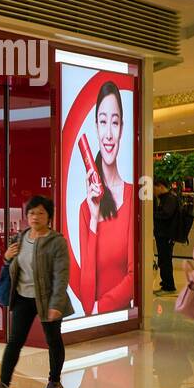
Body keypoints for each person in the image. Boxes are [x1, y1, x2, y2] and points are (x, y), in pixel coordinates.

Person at [0, 195, 75, 388]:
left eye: (41, 213)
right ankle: (3, 384)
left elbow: (61, 276)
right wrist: (7, 258)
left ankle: (54, 381)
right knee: (15, 341)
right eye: (32, 213)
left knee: (53, 341)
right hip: (22, 298)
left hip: (47, 299)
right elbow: (11, 267)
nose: (35, 217)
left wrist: (56, 304)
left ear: (49, 217)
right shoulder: (20, 238)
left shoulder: (56, 242)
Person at [77, 82, 134, 313]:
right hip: (95, 331)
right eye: (103, 121)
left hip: (123, 324)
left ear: (122, 128)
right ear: (96, 127)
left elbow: (134, 275)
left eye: (114, 121)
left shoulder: (132, 198)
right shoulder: (85, 209)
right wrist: (94, 217)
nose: (109, 134)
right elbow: (86, 297)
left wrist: (100, 309)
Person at [154, 180, 179, 293]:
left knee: (166, 260)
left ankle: (169, 286)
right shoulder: (164, 199)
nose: (154, 192)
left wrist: (152, 214)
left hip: (166, 235)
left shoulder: (170, 198)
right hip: (162, 235)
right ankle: (165, 283)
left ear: (160, 187)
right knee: (163, 260)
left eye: (155, 189)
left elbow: (166, 214)